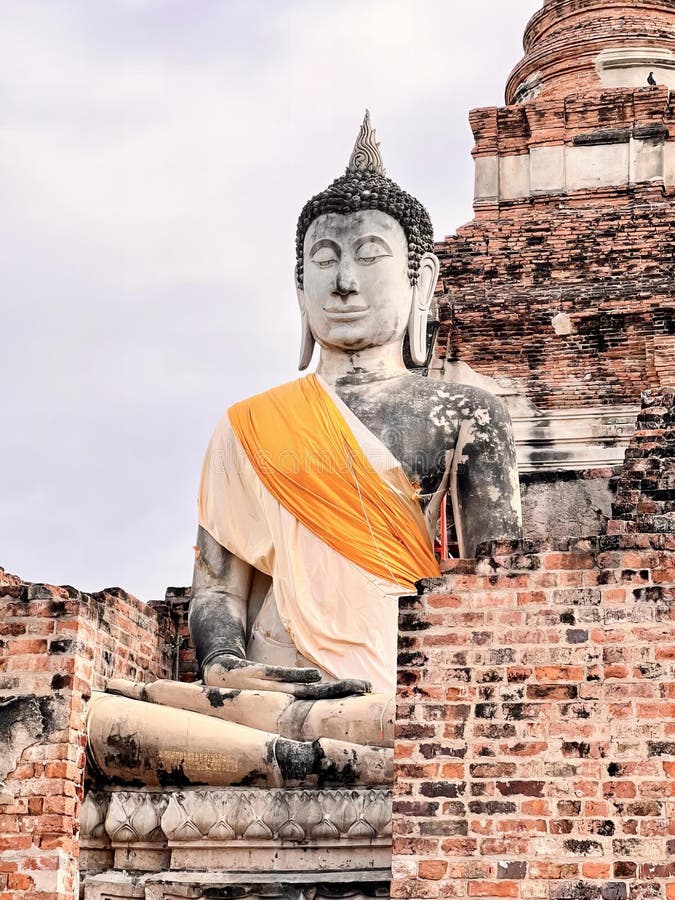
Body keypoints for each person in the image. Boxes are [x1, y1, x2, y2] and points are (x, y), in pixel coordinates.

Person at [86, 112, 521, 788]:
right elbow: (218, 589)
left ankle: (343, 754)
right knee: (110, 726)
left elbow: (496, 591)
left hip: (389, 685)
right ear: (298, 285)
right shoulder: (248, 423)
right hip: (264, 694)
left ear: (421, 280)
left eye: (369, 256)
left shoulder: (462, 413)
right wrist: (226, 665)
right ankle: (321, 757)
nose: (343, 282)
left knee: (402, 727)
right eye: (324, 261)